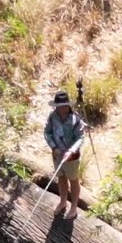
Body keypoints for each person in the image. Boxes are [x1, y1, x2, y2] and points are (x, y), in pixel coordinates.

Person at [43, 91, 86, 219]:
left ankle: (74, 207)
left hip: (71, 157)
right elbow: (47, 132)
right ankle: (63, 201)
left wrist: (71, 151)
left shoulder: (75, 119)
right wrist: (54, 147)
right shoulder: (52, 117)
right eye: (59, 106)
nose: (61, 109)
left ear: (68, 105)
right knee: (61, 178)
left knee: (73, 180)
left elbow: (80, 137)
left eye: (64, 106)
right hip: (57, 154)